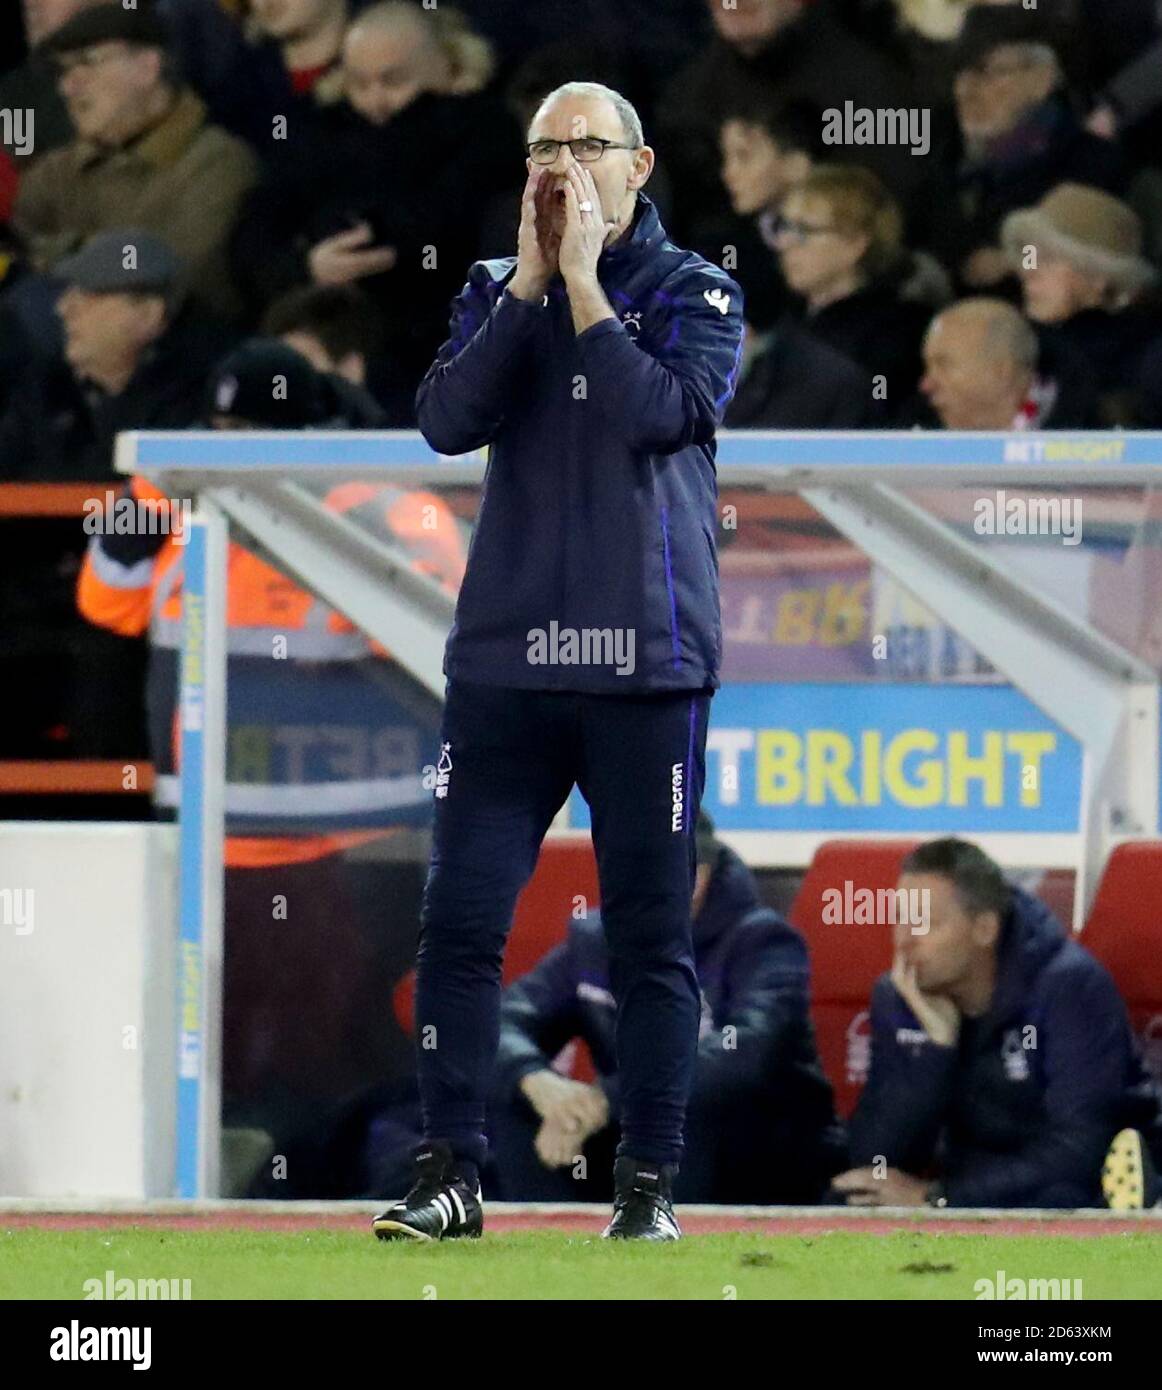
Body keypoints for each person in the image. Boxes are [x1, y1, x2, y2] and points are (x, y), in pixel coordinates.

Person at [371, 79, 744, 1245]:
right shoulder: (492, 287)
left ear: (640, 168)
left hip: (647, 662)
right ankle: (450, 1174)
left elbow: (656, 414)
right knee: (461, 923)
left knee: (647, 932)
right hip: (505, 663)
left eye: (587, 146)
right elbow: (444, 419)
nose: (562, 166)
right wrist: (533, 281)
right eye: (543, 147)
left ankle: (647, 1187)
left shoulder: (699, 290)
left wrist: (584, 285)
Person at [76, 335, 467, 1147]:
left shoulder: (387, 508)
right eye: (216, 438)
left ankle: (366, 1187)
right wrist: (152, 488)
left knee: (337, 1056)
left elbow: (455, 643)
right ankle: (247, 1190)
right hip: (209, 840)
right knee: (216, 1052)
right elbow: (103, 601)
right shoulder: (182, 501)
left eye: (243, 436)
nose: (228, 455)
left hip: (357, 845)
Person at [489, 813, 846, 1203]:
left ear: (701, 875)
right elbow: (504, 1022)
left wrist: (609, 1098)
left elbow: (744, 1057)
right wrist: (538, 1082)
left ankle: (671, 1247)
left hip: (762, 1149)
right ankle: (548, 1247)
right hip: (632, 1128)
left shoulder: (763, 943)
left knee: (688, 1107)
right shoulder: (594, 942)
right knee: (513, 1096)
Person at [834, 837, 1162, 1209]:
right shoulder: (899, 997)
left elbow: (1080, 1148)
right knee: (851, 1195)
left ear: (984, 929)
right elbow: (874, 1158)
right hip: (972, 1189)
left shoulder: (1069, 987)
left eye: (925, 922)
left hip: (1074, 1185)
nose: (905, 940)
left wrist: (939, 1198)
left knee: (1060, 1197)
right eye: (899, 919)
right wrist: (933, 1053)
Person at [231, 0, 518, 397]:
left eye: (394, 82)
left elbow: (455, 216)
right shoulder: (316, 132)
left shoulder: (485, 129)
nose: (376, 100)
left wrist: (381, 243)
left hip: (433, 338)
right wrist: (306, 268)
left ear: (446, 66)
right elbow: (256, 232)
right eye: (360, 84)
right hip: (316, 324)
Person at [11, 2, 258, 321]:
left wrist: (63, 254)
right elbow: (15, 249)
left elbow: (171, 281)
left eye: (86, 63)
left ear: (147, 67)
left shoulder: (217, 163)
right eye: (63, 72)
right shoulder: (58, 170)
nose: (67, 87)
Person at [920, 6, 1126, 293]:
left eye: (990, 73)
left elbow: (1086, 257)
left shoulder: (1088, 165)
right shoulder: (944, 153)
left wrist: (1018, 261)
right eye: (961, 74)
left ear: (1042, 80)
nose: (967, 90)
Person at [0, 229, 230, 480]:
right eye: (69, 293)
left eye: (89, 296)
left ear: (148, 316)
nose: (64, 308)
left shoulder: (198, 397)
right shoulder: (47, 386)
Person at [770, 165, 933, 421]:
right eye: (784, 227)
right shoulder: (788, 321)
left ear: (855, 243)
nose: (784, 243)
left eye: (804, 230)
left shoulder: (897, 333)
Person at [1001, 183, 1160, 426]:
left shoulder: (1142, 365)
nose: (1028, 273)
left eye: (1050, 259)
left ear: (1099, 277)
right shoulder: (1025, 348)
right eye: (1029, 257)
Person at [914, 296, 1094, 429]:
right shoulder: (914, 434)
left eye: (945, 365)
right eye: (928, 367)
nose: (926, 385)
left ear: (1002, 371)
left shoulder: (1093, 431)